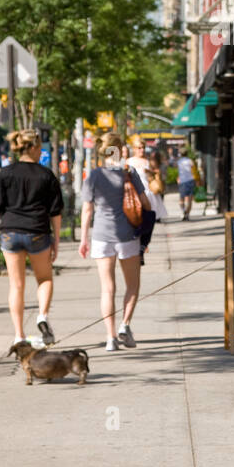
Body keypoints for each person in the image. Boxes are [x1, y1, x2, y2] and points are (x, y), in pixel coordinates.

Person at [0, 128, 64, 348]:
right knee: (45, 279)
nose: (41, 152)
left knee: (16, 285)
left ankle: (19, 335)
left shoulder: (5, 173)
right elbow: (55, 212)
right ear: (33, 147)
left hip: (10, 231)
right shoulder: (46, 175)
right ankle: (42, 316)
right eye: (40, 147)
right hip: (38, 232)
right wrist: (56, 240)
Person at [79, 130, 151, 349]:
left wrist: (84, 240)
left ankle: (110, 338)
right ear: (120, 150)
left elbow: (87, 211)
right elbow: (146, 204)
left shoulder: (93, 176)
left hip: (101, 236)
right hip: (127, 235)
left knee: (107, 288)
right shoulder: (129, 173)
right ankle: (124, 325)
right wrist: (146, 234)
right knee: (133, 285)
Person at [128, 137, 167, 222]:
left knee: (148, 220)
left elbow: (158, 172)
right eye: (139, 148)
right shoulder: (129, 162)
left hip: (148, 193)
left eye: (143, 148)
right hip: (134, 194)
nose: (141, 150)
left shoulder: (149, 161)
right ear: (134, 149)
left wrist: (150, 172)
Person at [177, 145, 195, 220]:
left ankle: (183, 211)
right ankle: (187, 214)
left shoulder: (179, 161)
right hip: (190, 180)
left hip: (182, 181)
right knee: (190, 200)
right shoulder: (190, 161)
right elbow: (194, 168)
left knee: (182, 199)